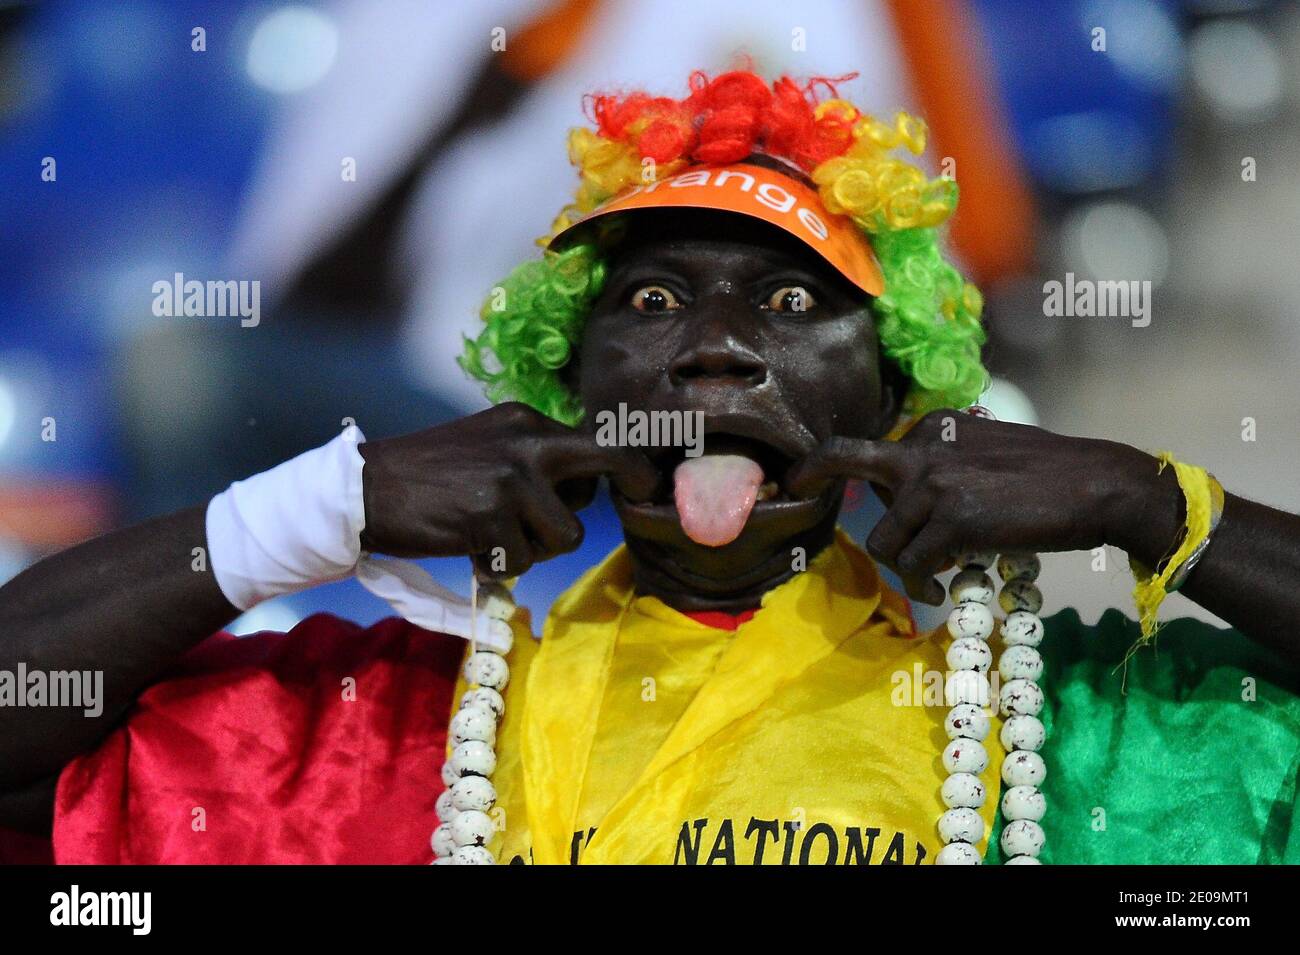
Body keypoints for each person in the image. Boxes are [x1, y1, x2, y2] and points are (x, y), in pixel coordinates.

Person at [2, 69, 1298, 865]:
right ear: (572, 384)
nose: (716, 352)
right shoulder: (370, 737)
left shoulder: (1073, 741)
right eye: (657, 301)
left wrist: (1152, 500)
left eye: (793, 309)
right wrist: (303, 515)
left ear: (897, 386)